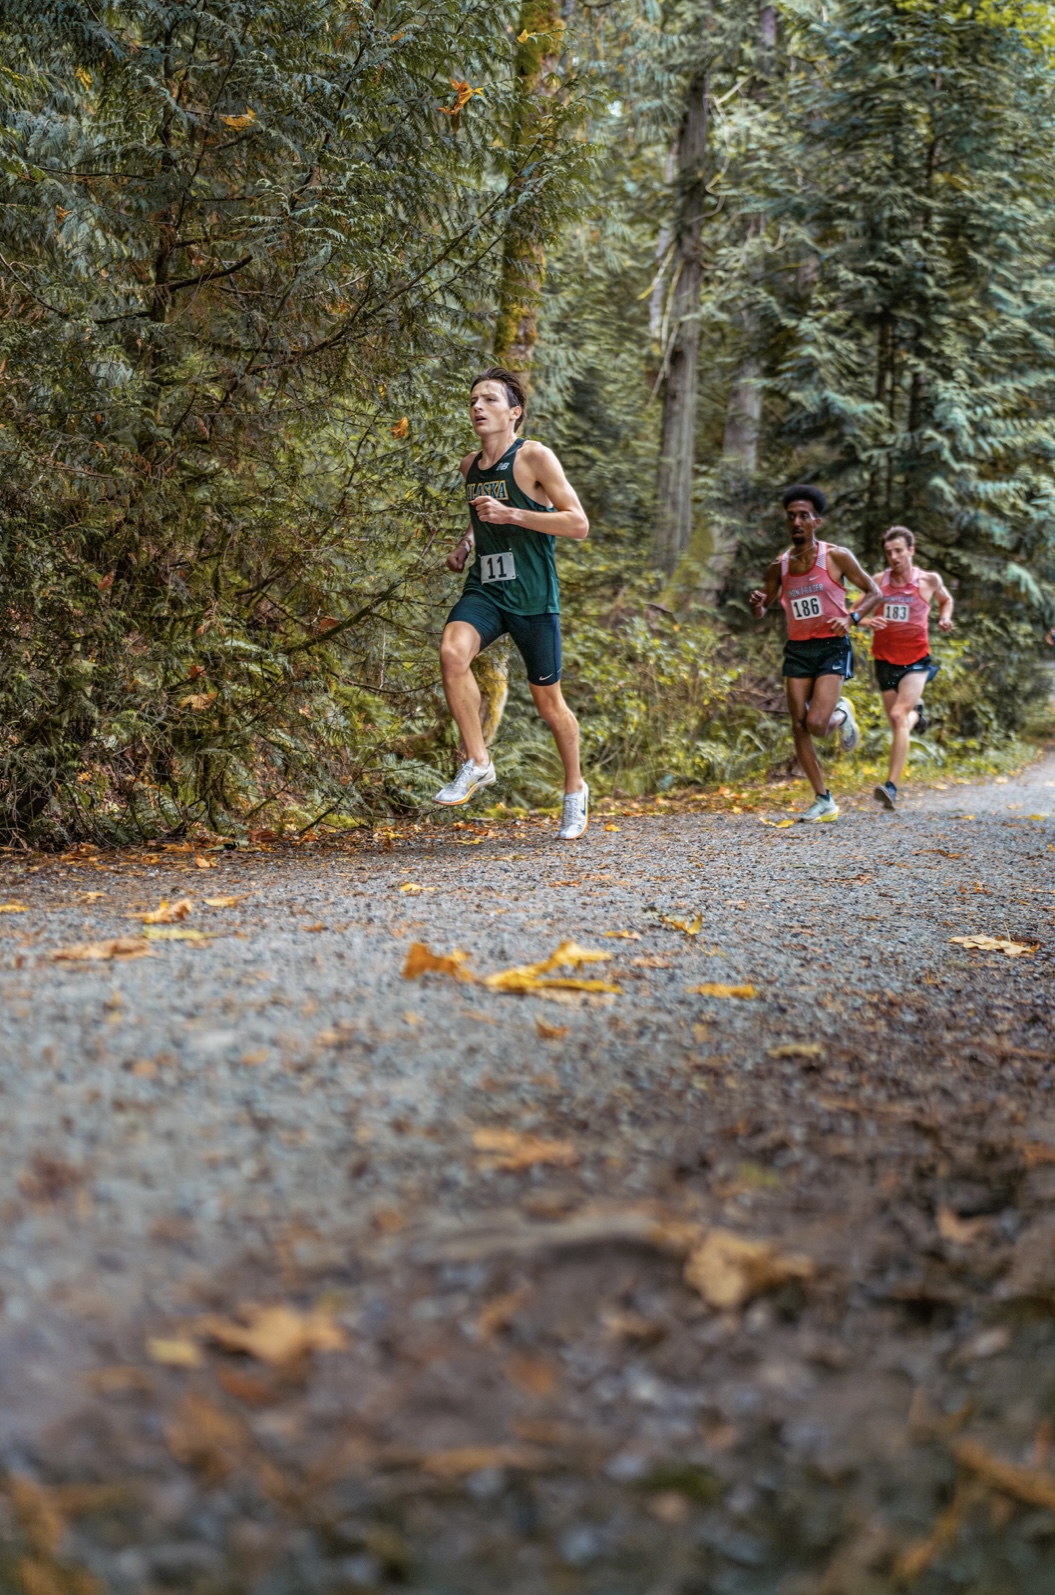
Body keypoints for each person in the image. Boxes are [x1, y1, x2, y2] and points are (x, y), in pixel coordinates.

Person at [435, 366, 591, 840]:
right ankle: (477, 761)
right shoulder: (469, 466)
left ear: (514, 413)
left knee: (549, 704)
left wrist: (513, 514)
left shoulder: (535, 457)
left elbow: (578, 523)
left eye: (489, 400)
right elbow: (481, 517)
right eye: (473, 401)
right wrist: (465, 543)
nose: (478, 407)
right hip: (487, 588)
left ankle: (574, 789)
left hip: (533, 596)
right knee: (451, 653)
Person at [749, 485, 881, 822]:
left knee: (818, 724)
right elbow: (764, 609)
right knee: (798, 725)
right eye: (791, 516)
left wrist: (851, 618)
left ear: (815, 522)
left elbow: (874, 592)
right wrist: (758, 605)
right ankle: (824, 799)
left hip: (831, 646)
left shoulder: (836, 556)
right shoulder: (778, 565)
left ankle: (842, 713)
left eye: (803, 515)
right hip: (798, 649)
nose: (796, 521)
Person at [860, 526, 953, 811]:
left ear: (911, 550)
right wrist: (866, 622)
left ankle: (891, 787)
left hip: (916, 660)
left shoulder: (928, 580)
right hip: (885, 659)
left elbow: (945, 599)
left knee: (898, 715)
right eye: (889, 552)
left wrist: (945, 618)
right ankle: (918, 716)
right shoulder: (878, 581)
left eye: (899, 550)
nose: (894, 557)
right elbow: (855, 612)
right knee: (898, 721)